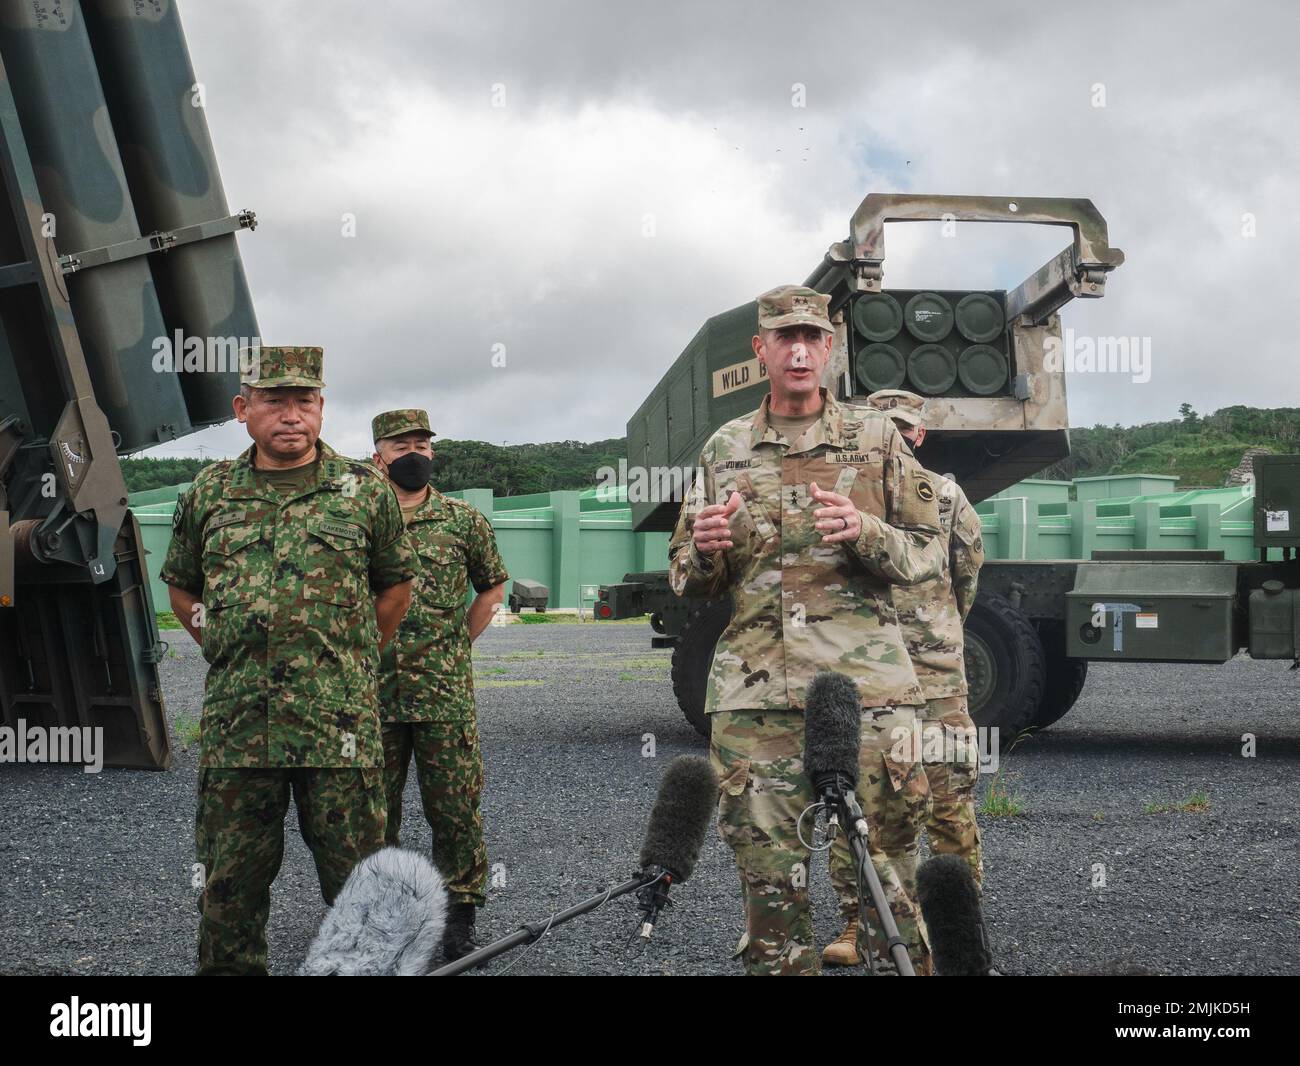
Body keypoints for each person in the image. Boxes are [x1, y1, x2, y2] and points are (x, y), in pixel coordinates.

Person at [667, 285, 945, 975]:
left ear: (829, 348)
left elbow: (926, 553)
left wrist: (865, 531)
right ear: (759, 350)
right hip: (757, 697)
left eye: (812, 337)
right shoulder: (724, 448)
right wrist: (703, 550)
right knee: (769, 887)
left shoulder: (876, 440)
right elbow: (687, 577)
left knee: (888, 878)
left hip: (869, 694)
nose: (799, 350)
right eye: (784, 337)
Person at [161, 345, 415, 975]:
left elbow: (394, 588)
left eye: (305, 401)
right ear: (242, 409)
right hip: (239, 730)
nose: (292, 414)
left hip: (338, 731)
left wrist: (352, 660)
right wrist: (222, 643)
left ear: (322, 408)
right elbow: (183, 588)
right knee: (229, 890)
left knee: (360, 890)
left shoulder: (364, 491)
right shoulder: (210, 492)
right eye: (274, 401)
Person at [825, 388, 986, 967]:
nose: (896, 436)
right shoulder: (843, 495)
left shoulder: (944, 496)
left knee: (949, 802)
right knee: (861, 804)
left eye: (904, 428)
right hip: (868, 677)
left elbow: (967, 571)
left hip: (936, 678)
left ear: (919, 435)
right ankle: (858, 921)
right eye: (885, 426)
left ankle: (958, 926)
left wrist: (938, 633)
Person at [370, 408, 509, 960]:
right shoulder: (357, 519)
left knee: (454, 810)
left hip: (443, 694)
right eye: (402, 446)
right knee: (373, 814)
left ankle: (458, 918)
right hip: (370, 695)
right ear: (378, 454)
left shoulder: (462, 520)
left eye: (423, 445)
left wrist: (457, 643)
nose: (415, 454)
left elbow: (491, 587)